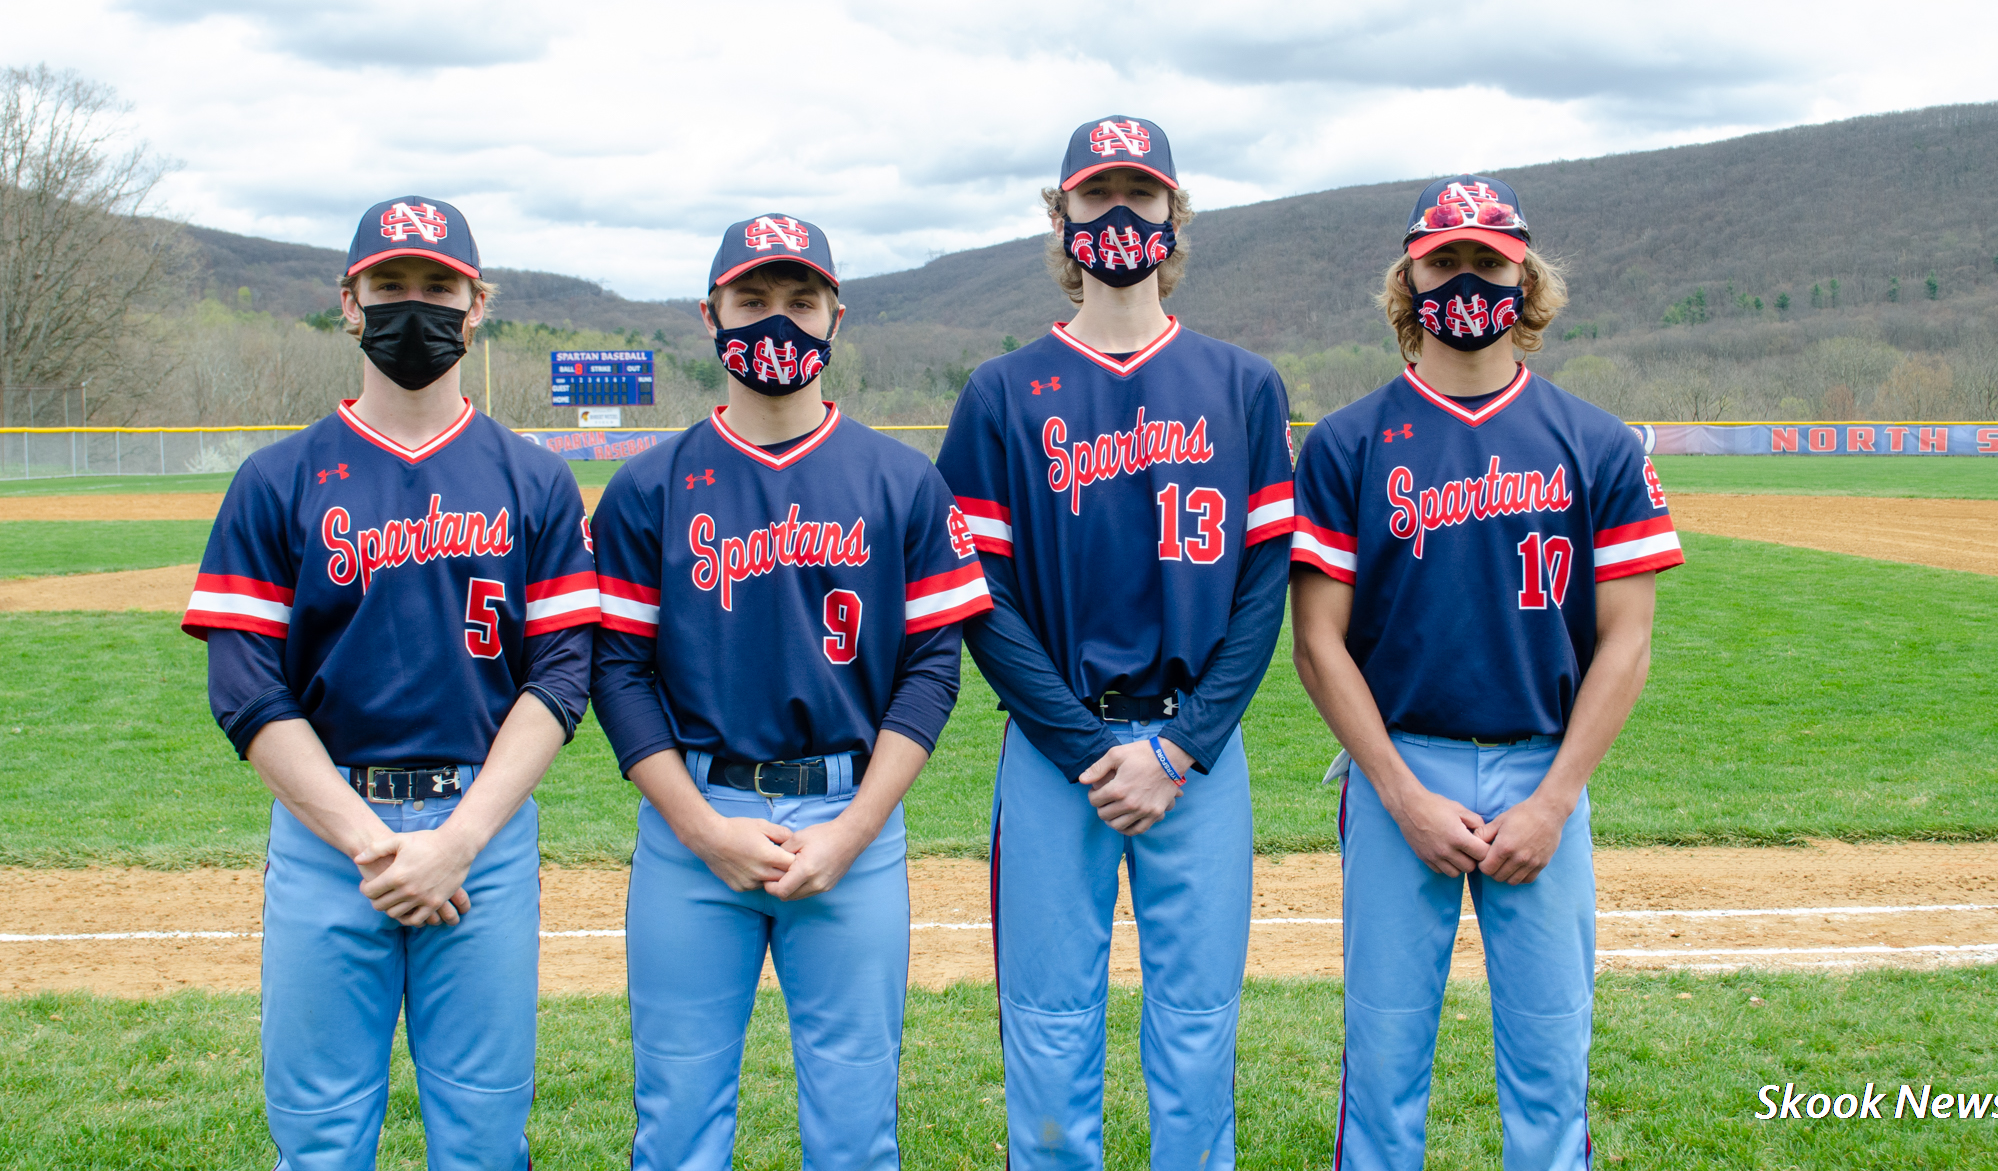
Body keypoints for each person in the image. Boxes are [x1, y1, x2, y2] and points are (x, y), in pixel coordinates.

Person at [183, 196, 597, 1170]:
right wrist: (376, 845)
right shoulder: (277, 478)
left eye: (438, 287)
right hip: (334, 837)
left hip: (481, 837)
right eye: (391, 286)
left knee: (485, 1139)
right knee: (320, 1137)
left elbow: (563, 675)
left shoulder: (531, 481)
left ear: (478, 302)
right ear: (348, 301)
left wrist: (456, 841)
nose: (416, 307)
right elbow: (245, 687)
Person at [1288, 175, 1685, 1170]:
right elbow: (1315, 641)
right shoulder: (1345, 443)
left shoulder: (1594, 442)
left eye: (1486, 260)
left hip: (1540, 772)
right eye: (1442, 259)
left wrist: (1554, 800)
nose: (1463, 277)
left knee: (1551, 1064)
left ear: (1524, 278)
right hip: (1397, 773)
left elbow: (1625, 642)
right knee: (1379, 1065)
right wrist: (1398, 794)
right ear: (1407, 279)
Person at [590, 213, 992, 1170]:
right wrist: (698, 827)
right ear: (711, 314)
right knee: (677, 1123)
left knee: (856, 1130)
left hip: (853, 816)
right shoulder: (651, 486)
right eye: (753, 300)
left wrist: (854, 828)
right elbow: (617, 670)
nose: (778, 320)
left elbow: (934, 668)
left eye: (800, 301)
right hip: (699, 822)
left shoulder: (900, 480)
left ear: (836, 318)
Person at [935, 117, 1295, 1168]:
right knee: (1047, 1027)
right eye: (1097, 196)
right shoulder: (1001, 393)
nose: (1121, 216)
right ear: (1060, 218)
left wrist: (1180, 746)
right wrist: (1086, 747)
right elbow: (978, 599)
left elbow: (1260, 588)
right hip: (1059, 758)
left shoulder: (1241, 385)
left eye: (1142, 194)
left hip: (1198, 757)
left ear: (1175, 215)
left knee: (1196, 1029)